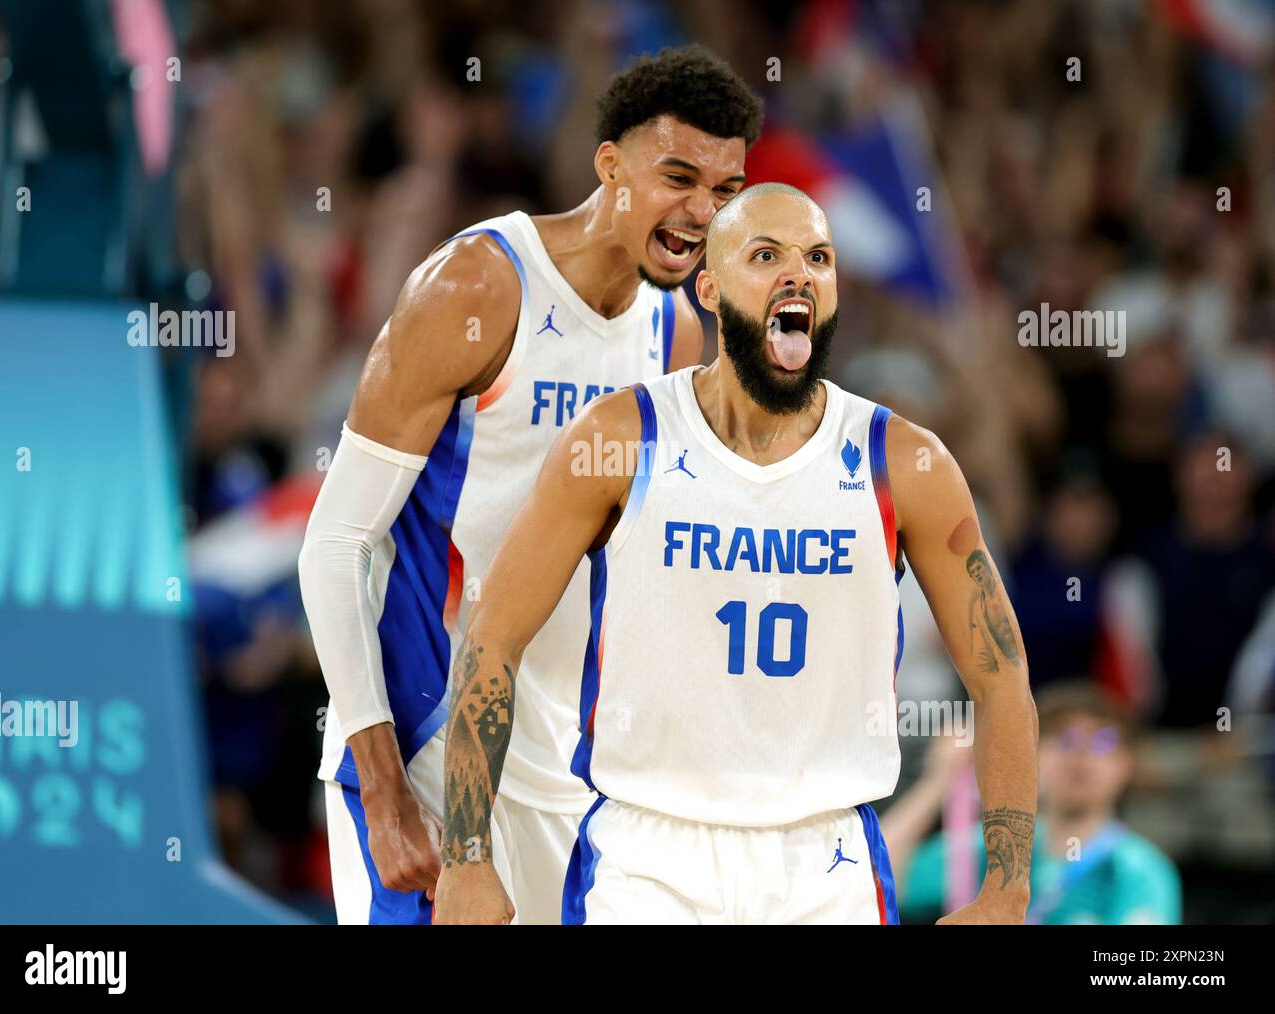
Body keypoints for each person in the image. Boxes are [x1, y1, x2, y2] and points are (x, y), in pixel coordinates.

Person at [432, 183, 1038, 924]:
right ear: (711, 290)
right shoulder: (621, 438)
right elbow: (491, 637)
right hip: (645, 859)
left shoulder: (903, 463)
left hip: (828, 859)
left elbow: (1001, 676)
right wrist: (466, 856)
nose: (798, 275)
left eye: (818, 257)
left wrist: (1007, 889)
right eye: (766, 255)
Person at [297, 45, 763, 924]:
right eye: (677, 177)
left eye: (725, 192)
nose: (701, 211)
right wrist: (384, 788)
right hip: (425, 740)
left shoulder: (678, 337)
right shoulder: (478, 285)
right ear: (609, 165)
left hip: (565, 769)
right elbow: (334, 544)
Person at [889, 681, 1182, 924]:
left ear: (1126, 765)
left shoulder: (1139, 868)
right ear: (1029, 757)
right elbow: (875, 875)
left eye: (1103, 741)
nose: (1081, 754)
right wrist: (939, 780)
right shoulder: (992, 845)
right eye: (1063, 738)